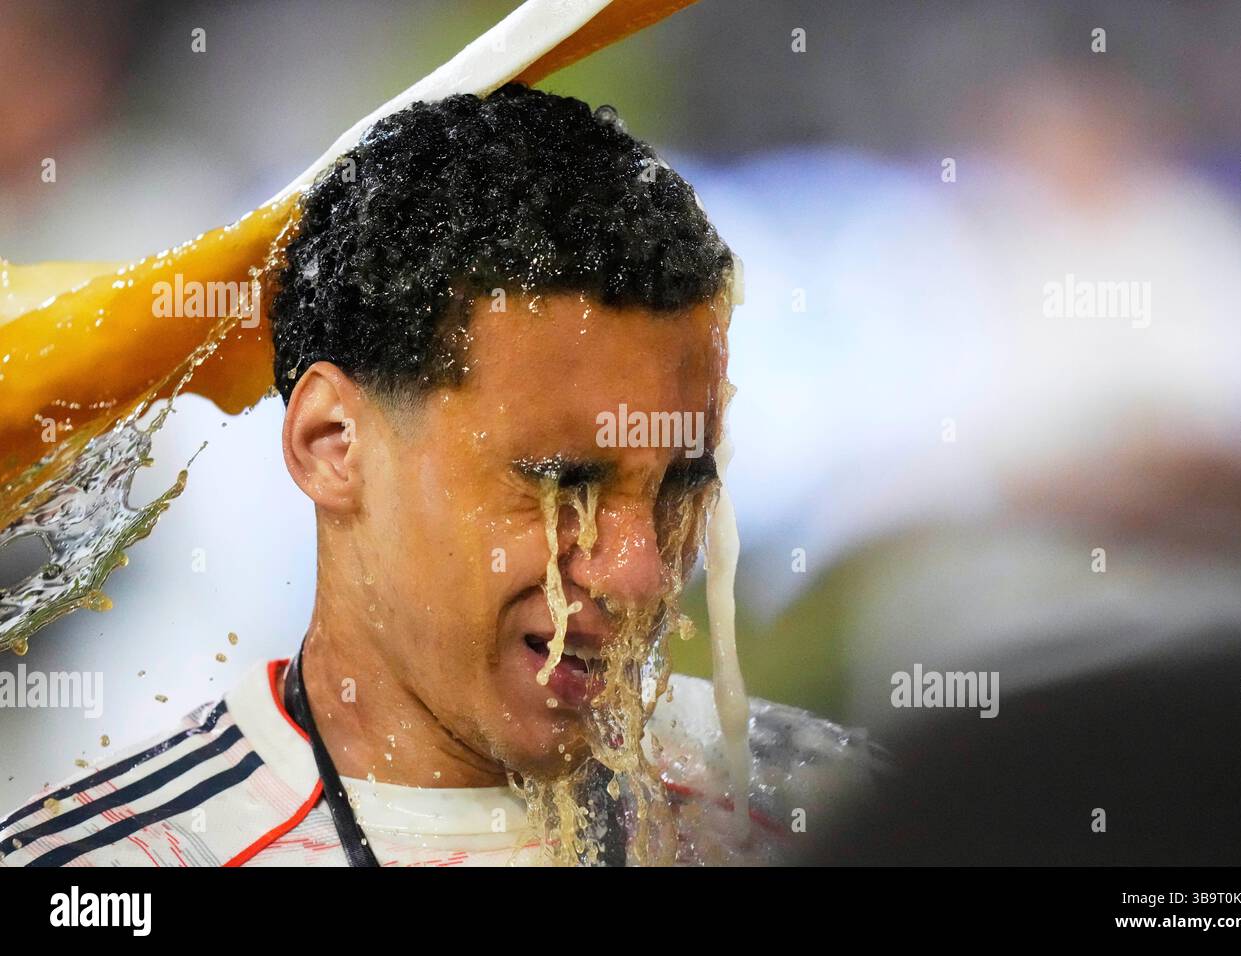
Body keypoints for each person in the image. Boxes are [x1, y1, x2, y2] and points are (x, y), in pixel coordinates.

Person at [0, 84, 867, 868]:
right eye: (565, 484)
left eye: (682, 487)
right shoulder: (111, 873)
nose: (641, 570)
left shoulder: (842, 817)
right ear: (332, 444)